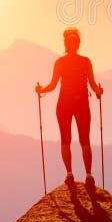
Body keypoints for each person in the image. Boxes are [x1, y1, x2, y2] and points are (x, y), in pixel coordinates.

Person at [36, 28, 103, 190]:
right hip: (81, 104)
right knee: (84, 140)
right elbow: (94, 86)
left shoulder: (60, 62)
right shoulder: (85, 61)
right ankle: (89, 176)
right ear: (78, 44)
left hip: (64, 104)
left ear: (65, 44)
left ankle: (69, 174)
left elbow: (52, 86)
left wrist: (40, 90)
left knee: (65, 139)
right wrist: (99, 92)